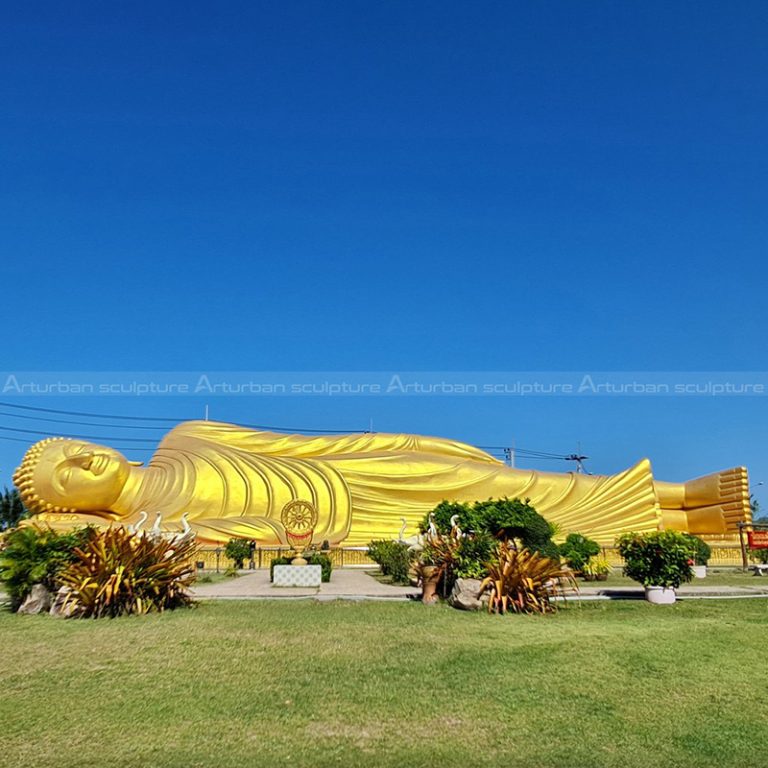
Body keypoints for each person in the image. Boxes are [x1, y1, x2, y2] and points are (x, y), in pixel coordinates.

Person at [12, 420, 751, 545]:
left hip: (356, 471)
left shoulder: (184, 436)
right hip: (347, 521)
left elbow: (305, 442)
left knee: (493, 485)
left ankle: (679, 491)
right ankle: (689, 519)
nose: (85, 463)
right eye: (67, 479)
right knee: (499, 519)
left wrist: (402, 440)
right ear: (68, 503)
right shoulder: (146, 526)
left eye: (74, 449)